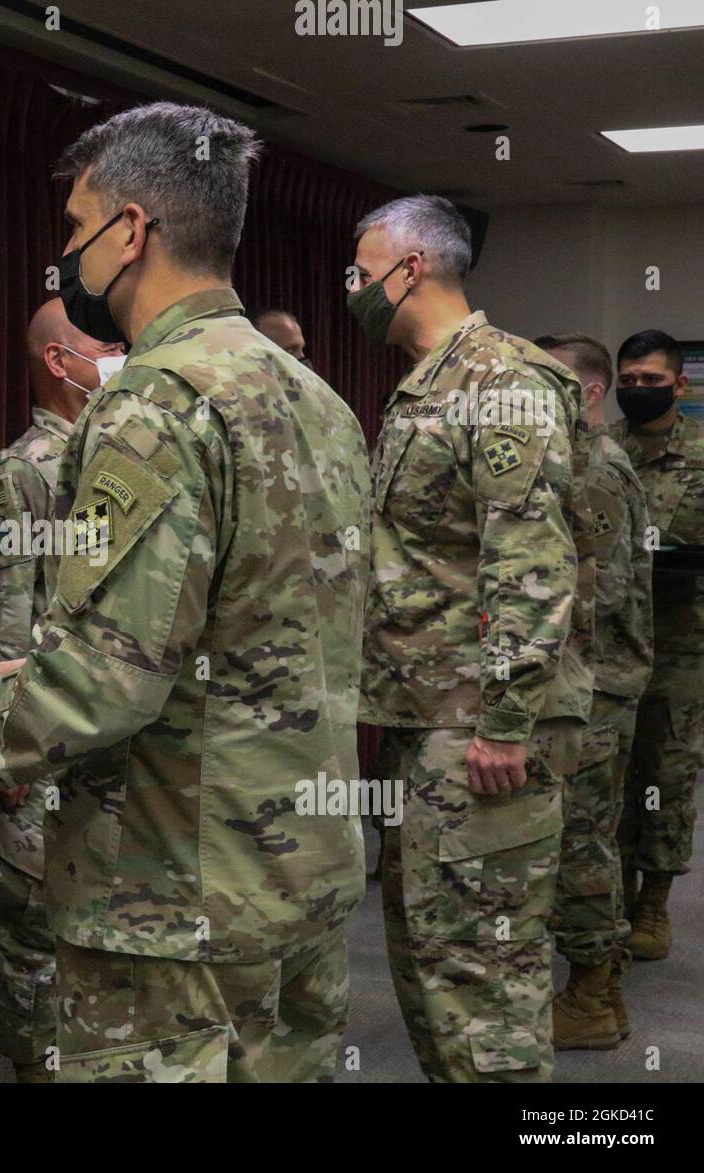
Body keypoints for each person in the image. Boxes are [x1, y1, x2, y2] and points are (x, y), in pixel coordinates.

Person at [0, 101, 371, 1084]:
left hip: (169, 896)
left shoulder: (155, 400)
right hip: (295, 871)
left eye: (73, 228)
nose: (67, 254)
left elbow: (104, 687)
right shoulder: (314, 398)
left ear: (128, 229)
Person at [351, 194, 589, 1082]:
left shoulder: (503, 381)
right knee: (430, 973)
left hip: (479, 734)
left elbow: (528, 560)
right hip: (428, 720)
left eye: (361, 269)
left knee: (485, 987)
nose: (356, 287)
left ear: (410, 268)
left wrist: (506, 718)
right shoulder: (427, 384)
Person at [0, 298, 123, 1082]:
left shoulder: (122, 462)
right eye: (107, 343)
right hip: (43, 762)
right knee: (41, 950)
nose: (124, 352)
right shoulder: (19, 474)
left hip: (118, 755)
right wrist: (8, 754)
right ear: (59, 362)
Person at [537, 332, 653, 1048]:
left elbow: (597, 595)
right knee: (587, 840)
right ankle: (600, 990)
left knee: (582, 843)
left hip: (596, 688)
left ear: (587, 393)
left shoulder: (596, 468)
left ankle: (589, 995)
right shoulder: (582, 461)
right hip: (593, 683)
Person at [612, 329, 704, 961]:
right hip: (610, 640)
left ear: (681, 383)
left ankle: (654, 902)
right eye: (629, 380)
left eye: (652, 379)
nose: (638, 390)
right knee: (610, 773)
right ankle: (611, 892)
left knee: (666, 773)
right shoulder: (598, 450)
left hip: (680, 642)